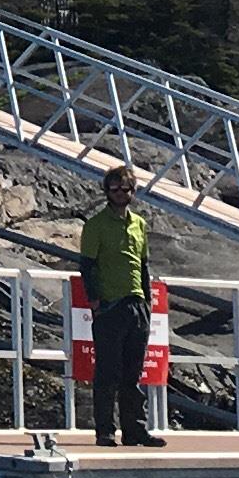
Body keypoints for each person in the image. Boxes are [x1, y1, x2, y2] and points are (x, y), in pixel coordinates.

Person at [80, 167, 164, 448]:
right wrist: (95, 300)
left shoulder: (139, 224)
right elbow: (87, 266)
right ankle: (105, 430)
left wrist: (147, 300)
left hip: (136, 303)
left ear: (133, 192)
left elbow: (142, 264)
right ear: (106, 191)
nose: (120, 194)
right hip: (109, 306)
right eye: (115, 189)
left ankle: (135, 430)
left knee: (133, 372)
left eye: (125, 189)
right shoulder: (95, 225)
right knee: (107, 372)